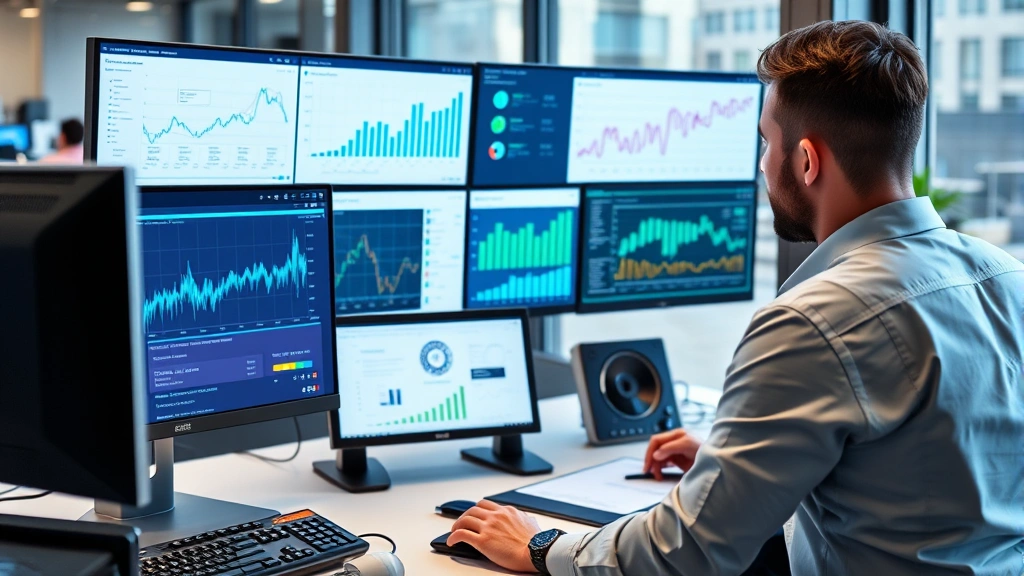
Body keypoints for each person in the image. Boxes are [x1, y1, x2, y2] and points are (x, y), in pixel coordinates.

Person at [447, 20, 1024, 576]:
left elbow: (684, 554)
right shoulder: (1007, 279)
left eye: (766, 142)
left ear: (806, 160)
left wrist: (542, 545)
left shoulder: (815, 322)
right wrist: (744, 465)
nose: (762, 165)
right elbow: (930, 475)